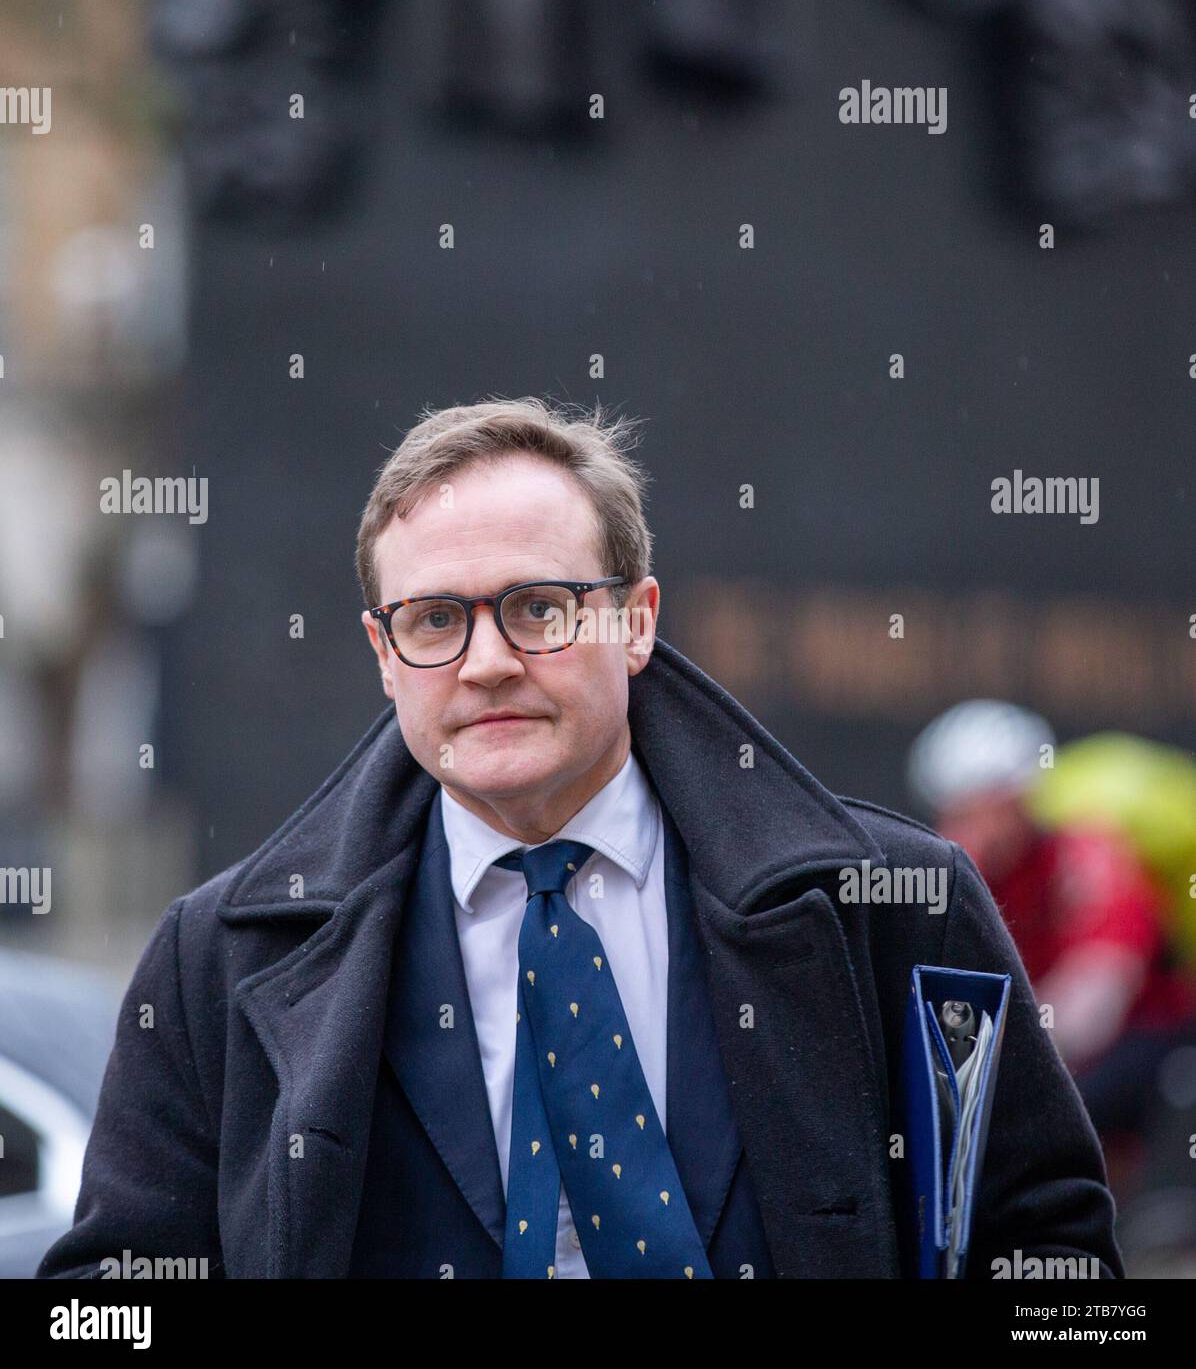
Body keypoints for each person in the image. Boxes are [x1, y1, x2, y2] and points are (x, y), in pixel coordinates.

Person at [39, 398, 1121, 1279]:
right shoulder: (219, 955)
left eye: (539, 608)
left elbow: (1048, 1244)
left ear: (636, 618)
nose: (486, 661)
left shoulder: (894, 905)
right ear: (381, 652)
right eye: (433, 620)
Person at [908, 701, 1196, 1144]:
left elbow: (1095, 1001)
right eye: (950, 814)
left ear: (1020, 801)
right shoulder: (956, 875)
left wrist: (1000, 1062)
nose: (958, 831)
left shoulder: (1087, 859)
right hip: (1039, 1050)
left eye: (974, 812)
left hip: (1142, 1041)